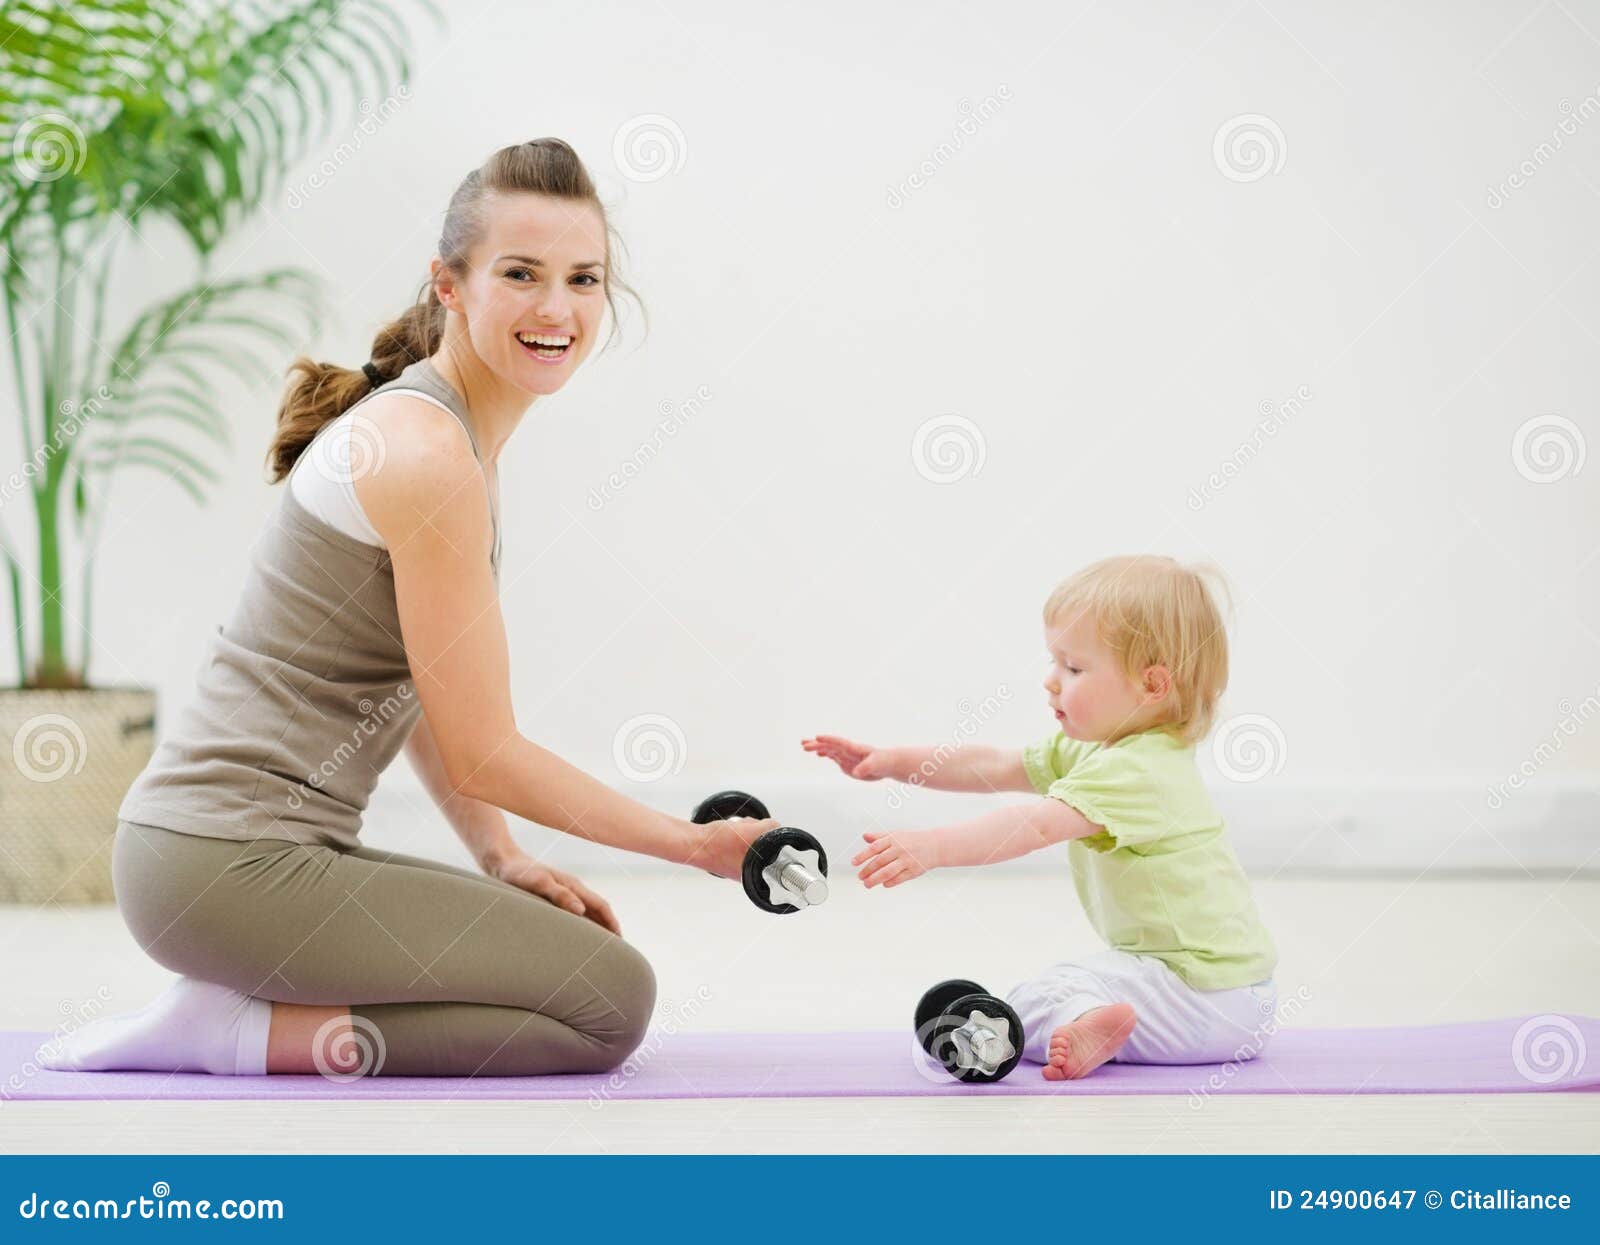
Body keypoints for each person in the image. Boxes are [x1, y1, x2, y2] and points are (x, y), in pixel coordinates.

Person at [41, 139, 768, 1080]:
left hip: (226, 859)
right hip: (221, 867)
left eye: (583, 278)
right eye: (521, 273)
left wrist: (500, 856)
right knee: (606, 1005)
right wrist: (691, 843)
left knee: (589, 980)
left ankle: (234, 1001)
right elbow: (486, 750)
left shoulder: (449, 437)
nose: (557, 307)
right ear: (450, 286)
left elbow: (416, 690)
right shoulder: (427, 455)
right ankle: (232, 1031)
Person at [803, 554, 1279, 1079]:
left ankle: (1079, 1023)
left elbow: (1033, 826)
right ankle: (1086, 1021)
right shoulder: (1112, 754)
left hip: (1204, 999)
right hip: (1221, 995)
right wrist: (893, 762)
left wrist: (931, 848)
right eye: (1055, 662)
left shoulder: (1137, 771)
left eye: (1074, 668)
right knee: (1072, 983)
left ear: (1152, 685)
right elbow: (996, 765)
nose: (1051, 682)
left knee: (1036, 997)